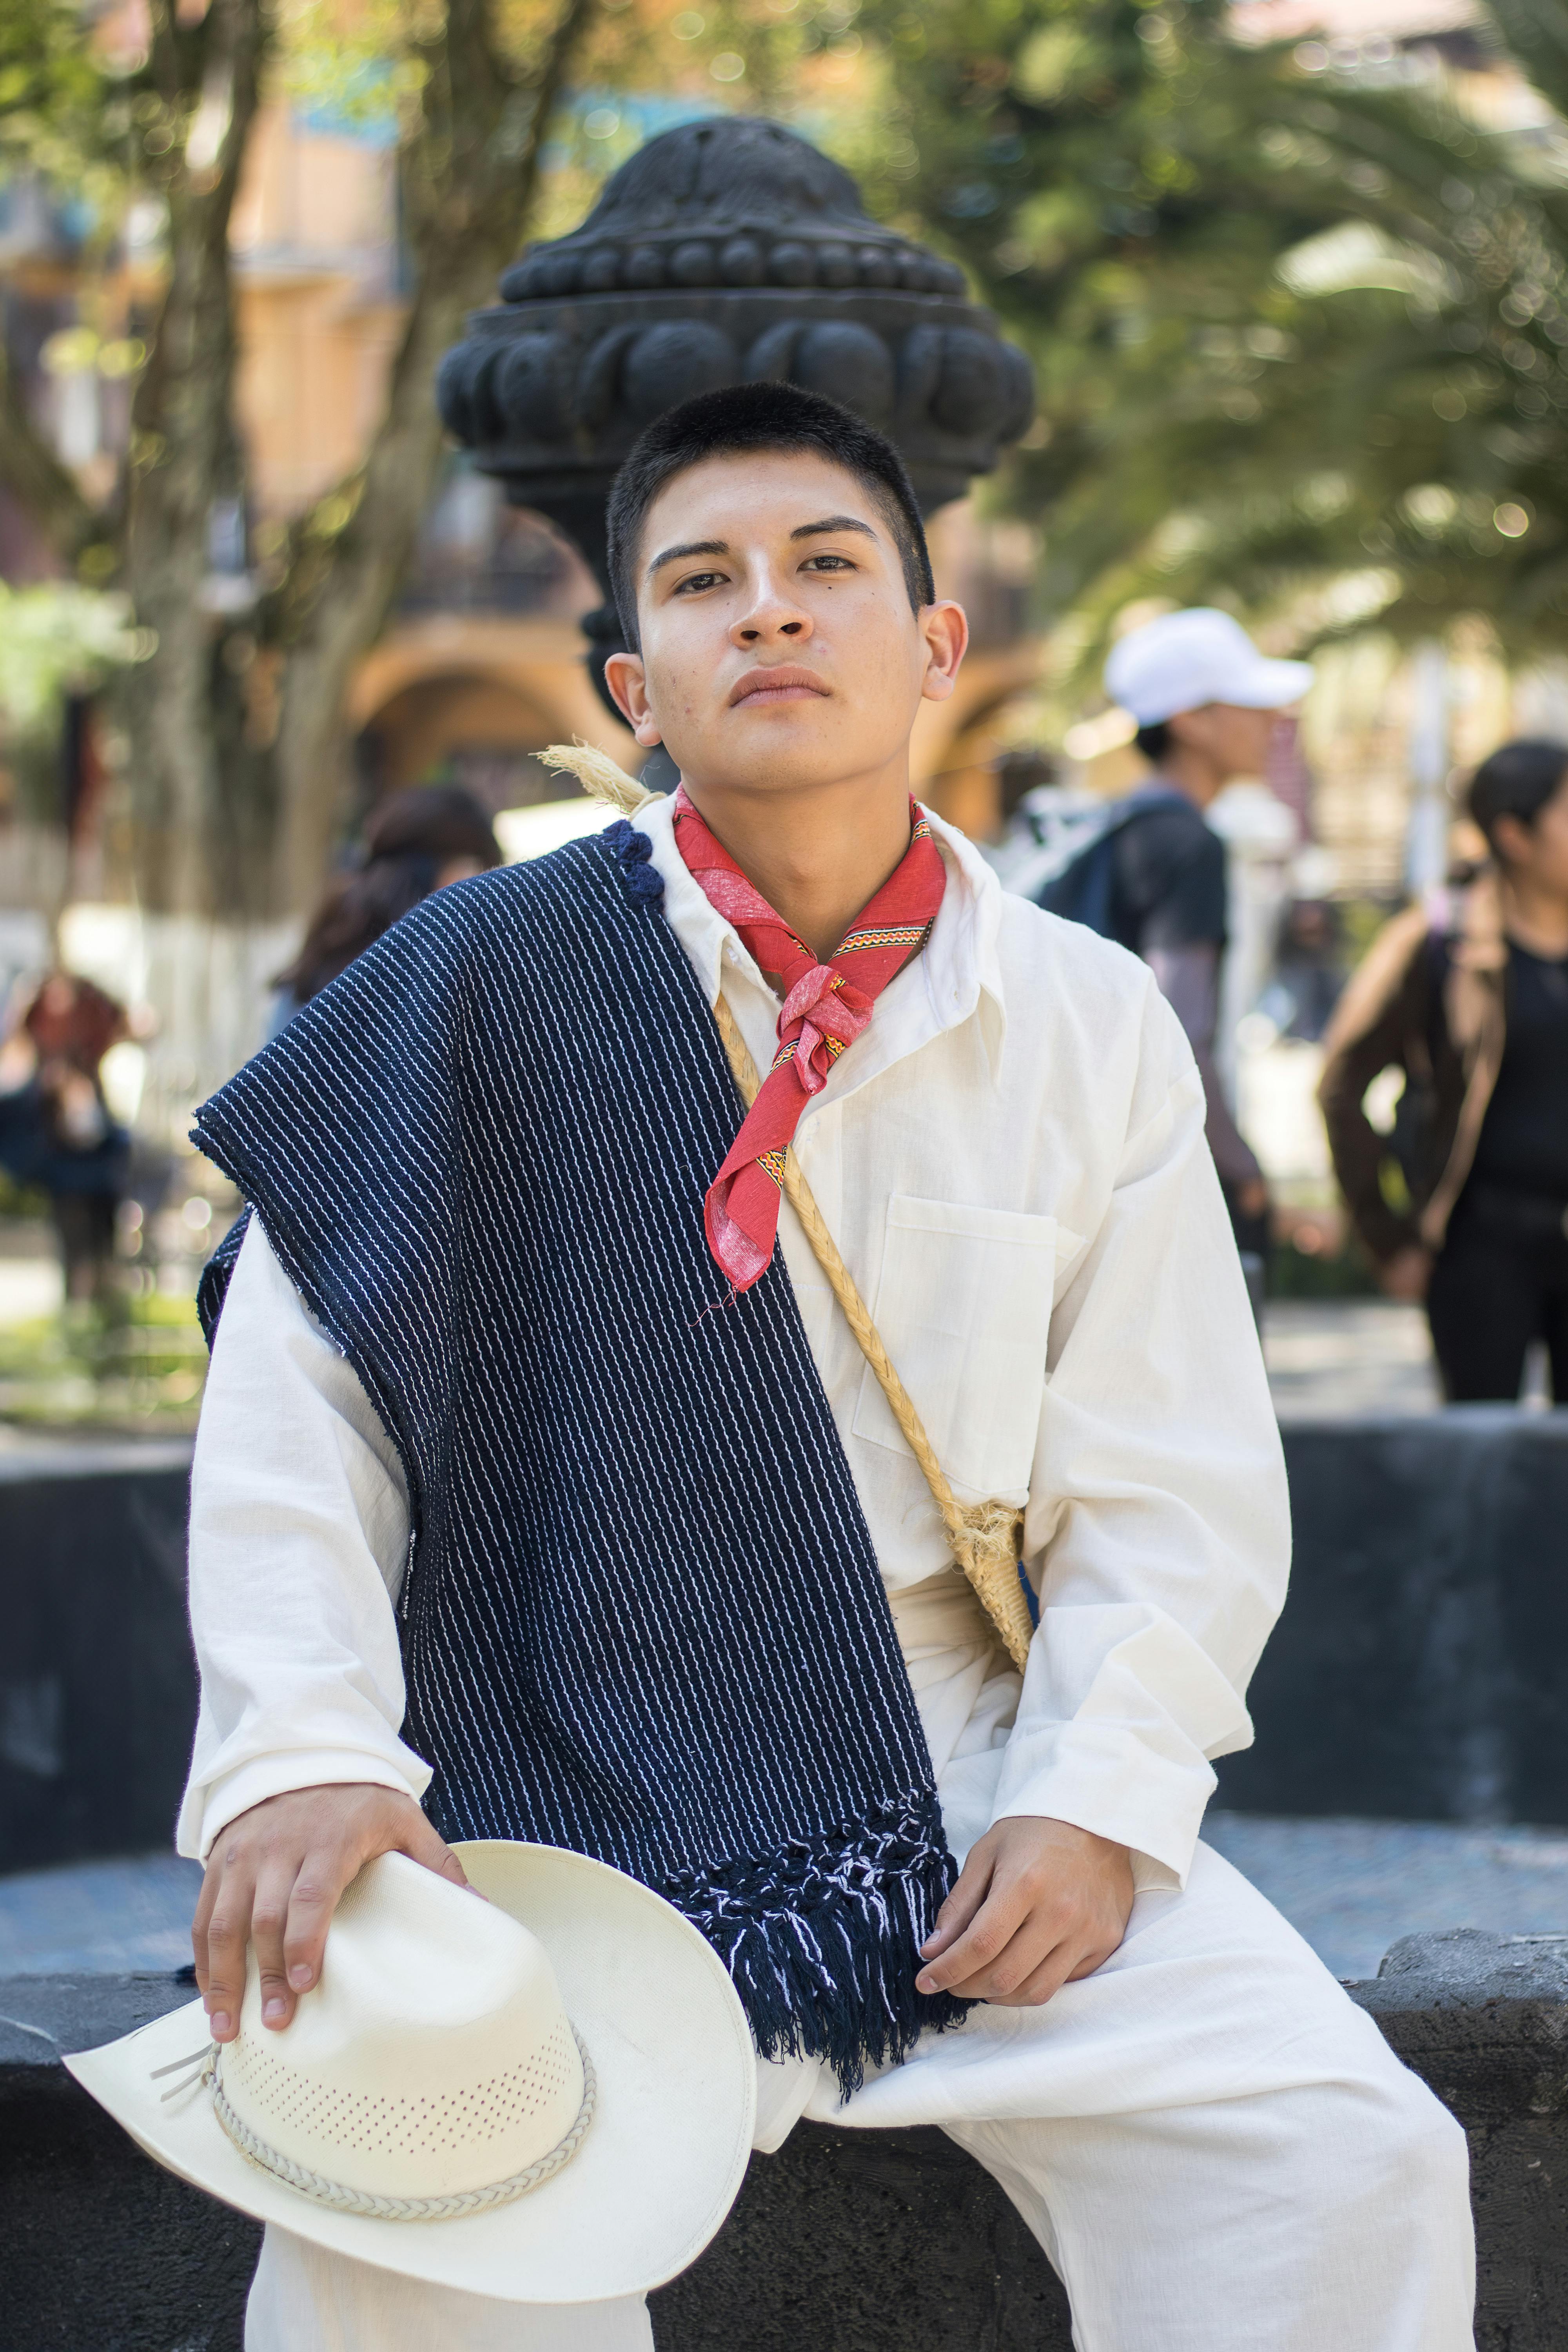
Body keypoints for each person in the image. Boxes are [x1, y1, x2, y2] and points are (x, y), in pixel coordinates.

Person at [180, 384, 1469, 2350]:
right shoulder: (473, 985)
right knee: (403, 2242)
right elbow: (298, 1411)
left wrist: (1099, 1797)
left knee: (1335, 2152)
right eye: (702, 583)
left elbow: (1167, 1473)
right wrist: (306, 1757)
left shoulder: (1085, 1018)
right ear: (635, 684)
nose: (766, 614)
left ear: (932, 644)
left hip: (940, 1768)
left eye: (824, 569)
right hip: (543, 1750)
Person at [1320, 736, 1568, 1403]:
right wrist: (1387, 1237)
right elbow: (1342, 1084)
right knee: (1480, 1464)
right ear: (1515, 834)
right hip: (1482, 1248)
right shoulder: (1440, 941)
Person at [1092, 608, 1313, 1252]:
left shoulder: (1124, 825)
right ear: (1190, 720)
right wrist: (1240, 1167)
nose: (1274, 723)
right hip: (1146, 1181)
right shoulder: (1188, 844)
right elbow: (1180, 1033)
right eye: (1249, 704)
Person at [269, 782, 501, 1030]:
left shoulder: (334, 934)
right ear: (427, 869)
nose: (479, 886)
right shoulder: (406, 980)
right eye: (471, 868)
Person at [0, 971, 131, 1301]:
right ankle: (83, 1312)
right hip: (65, 1168)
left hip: (96, 1168)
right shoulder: (39, 1067)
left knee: (102, 1251)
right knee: (76, 1254)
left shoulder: (88, 1060)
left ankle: (101, 1309)